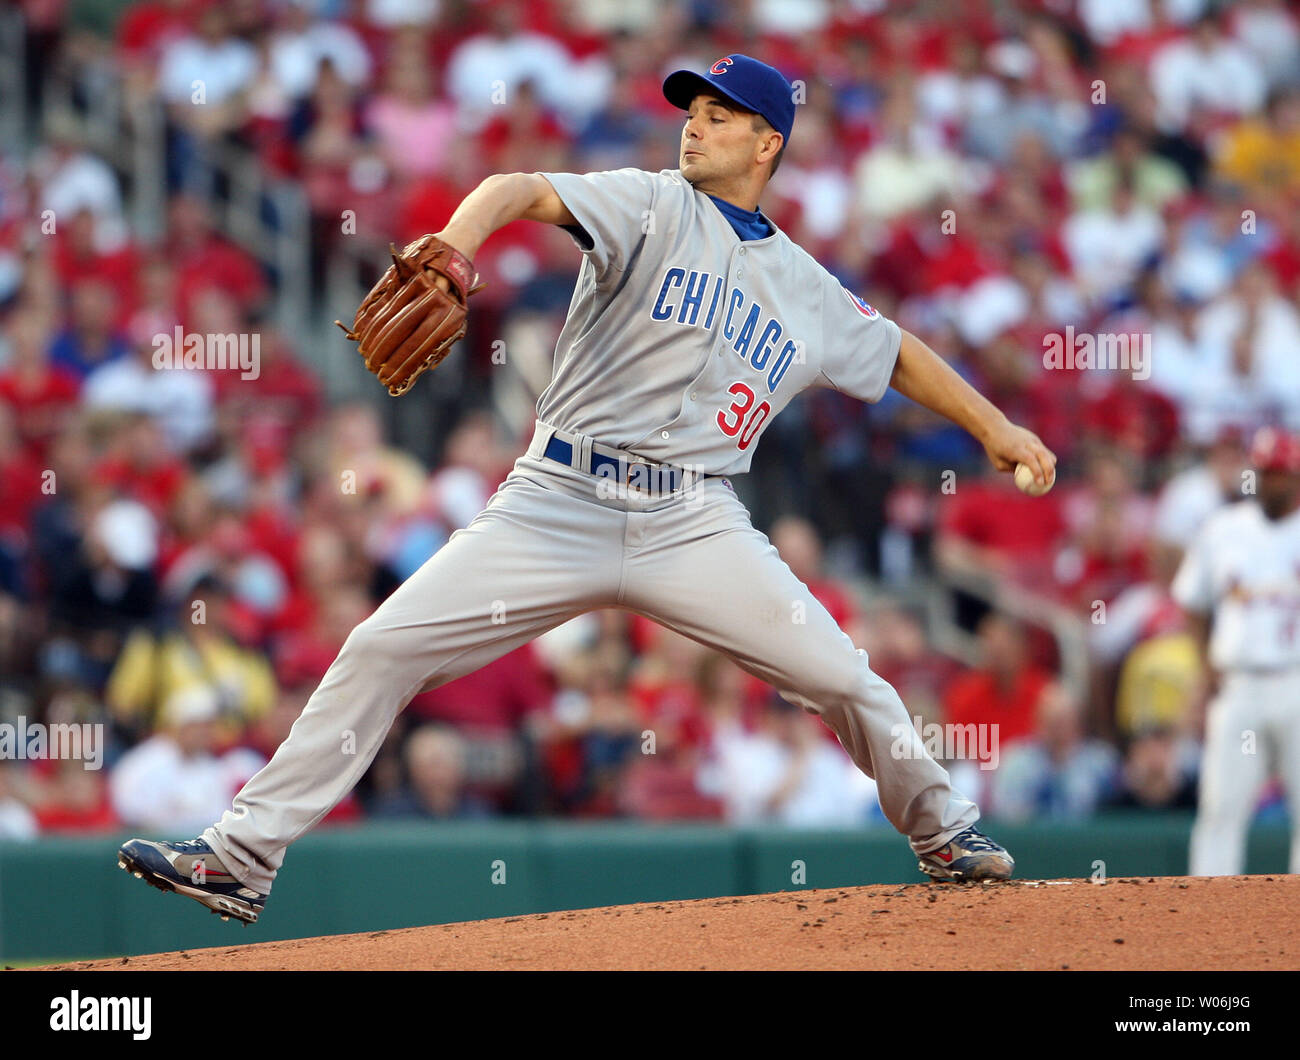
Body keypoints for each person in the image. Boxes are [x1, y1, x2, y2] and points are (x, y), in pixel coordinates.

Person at [118, 54, 1057, 924]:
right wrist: (457, 241)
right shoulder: (647, 203)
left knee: (842, 677)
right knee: (380, 647)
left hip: (692, 519)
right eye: (691, 110)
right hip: (555, 499)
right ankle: (241, 858)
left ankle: (943, 831)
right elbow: (516, 187)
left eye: (720, 115)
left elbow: (896, 353)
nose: (694, 126)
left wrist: (997, 428)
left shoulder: (804, 287)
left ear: (768, 141)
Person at [1172, 426, 1300, 875]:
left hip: (1295, 681)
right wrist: (1205, 669)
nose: (1269, 482)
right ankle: (1207, 916)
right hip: (1239, 682)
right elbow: (1192, 601)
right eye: (1263, 472)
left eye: (1278, 473)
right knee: (1221, 810)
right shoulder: (1224, 529)